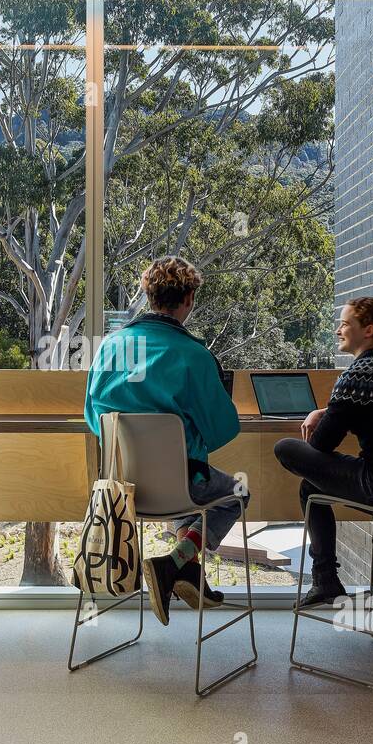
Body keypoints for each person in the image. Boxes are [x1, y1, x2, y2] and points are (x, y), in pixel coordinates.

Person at [84, 256, 246, 625]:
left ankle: (187, 571)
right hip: (179, 487)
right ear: (188, 298)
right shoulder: (195, 356)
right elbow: (224, 430)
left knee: (193, 493)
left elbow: (95, 421)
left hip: (120, 490)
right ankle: (173, 564)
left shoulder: (110, 347)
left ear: (147, 294)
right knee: (235, 492)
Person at [273, 297, 373, 608]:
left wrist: (323, 416)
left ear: (369, 330)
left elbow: (320, 447)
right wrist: (328, 410)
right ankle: (325, 579)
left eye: (344, 324)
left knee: (286, 448)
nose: (337, 330)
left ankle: (326, 579)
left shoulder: (356, 377)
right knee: (310, 487)